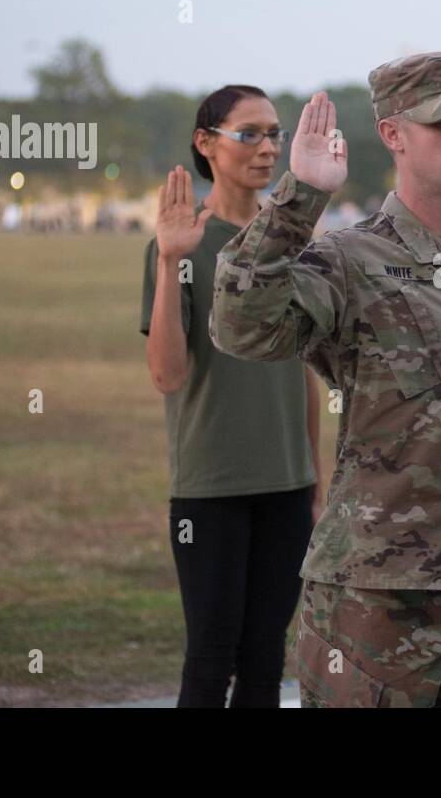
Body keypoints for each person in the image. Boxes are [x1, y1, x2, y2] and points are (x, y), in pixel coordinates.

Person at [209, 53, 441, 708]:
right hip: (378, 598)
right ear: (393, 135)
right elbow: (240, 325)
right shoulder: (349, 258)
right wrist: (300, 197)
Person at [140, 85, 324, 707]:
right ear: (206, 144)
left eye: (275, 133)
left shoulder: (290, 243)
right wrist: (170, 263)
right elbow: (167, 375)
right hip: (211, 487)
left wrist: (314, 479)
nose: (268, 146)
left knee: (266, 658)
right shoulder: (183, 242)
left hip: (287, 487)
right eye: (249, 133)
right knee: (211, 655)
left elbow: (302, 369)